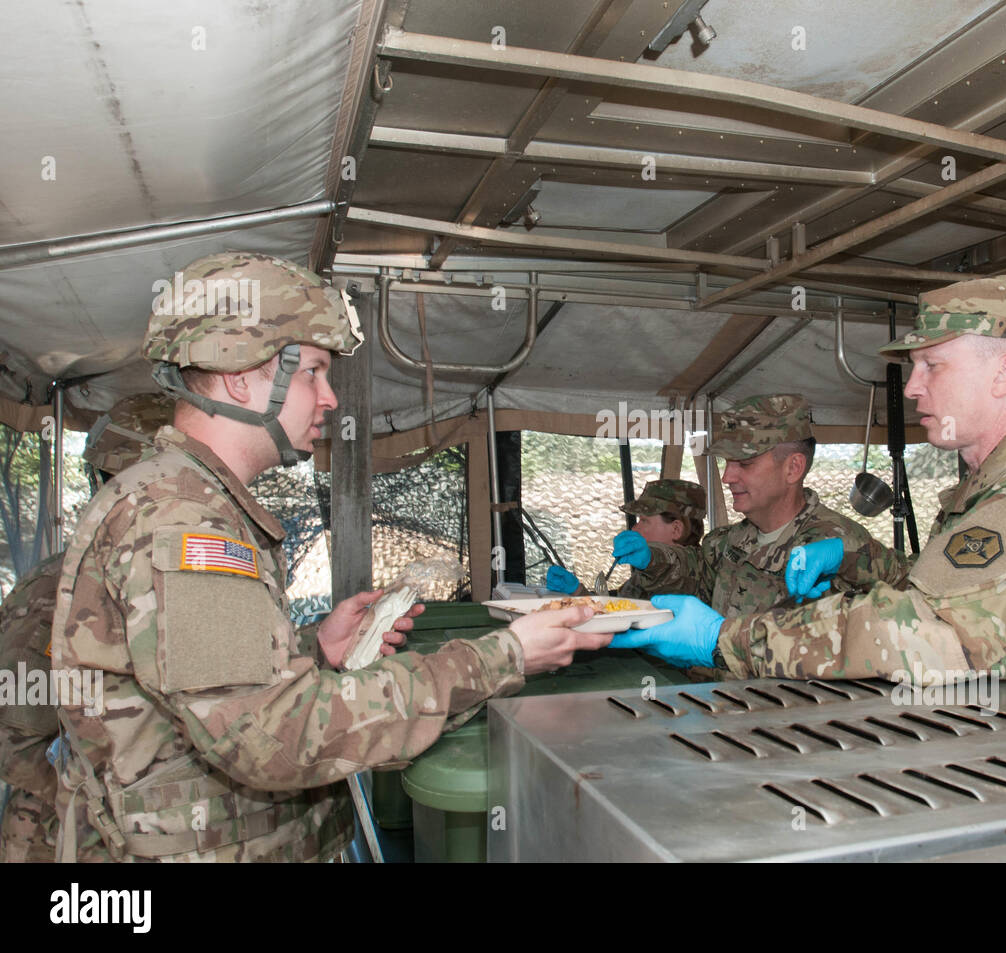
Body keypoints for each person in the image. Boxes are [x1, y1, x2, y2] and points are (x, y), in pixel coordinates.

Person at [50, 252, 607, 862]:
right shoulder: (182, 518)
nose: (331, 398)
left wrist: (316, 647)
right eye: (313, 372)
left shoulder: (186, 498)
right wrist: (504, 655)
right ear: (241, 377)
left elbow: (208, 684)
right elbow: (272, 738)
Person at [613, 275, 1006, 708]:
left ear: (1005, 374)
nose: (912, 386)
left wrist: (725, 640)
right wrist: (851, 557)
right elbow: (938, 592)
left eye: (932, 365)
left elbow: (932, 635)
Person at [0, 394, 171, 863]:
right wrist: (106, 803)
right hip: (59, 842)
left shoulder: (172, 583)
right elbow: (15, 744)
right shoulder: (56, 589)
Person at [608, 394, 872, 616]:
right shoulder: (730, 542)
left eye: (745, 463)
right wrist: (653, 559)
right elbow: (695, 573)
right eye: (726, 463)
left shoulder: (842, 550)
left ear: (793, 468)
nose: (726, 477)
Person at [544, 478, 706, 598]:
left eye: (644, 521)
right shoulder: (641, 579)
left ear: (676, 529)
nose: (635, 528)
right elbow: (612, 614)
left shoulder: (700, 577)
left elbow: (677, 574)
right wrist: (578, 592)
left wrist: (651, 559)